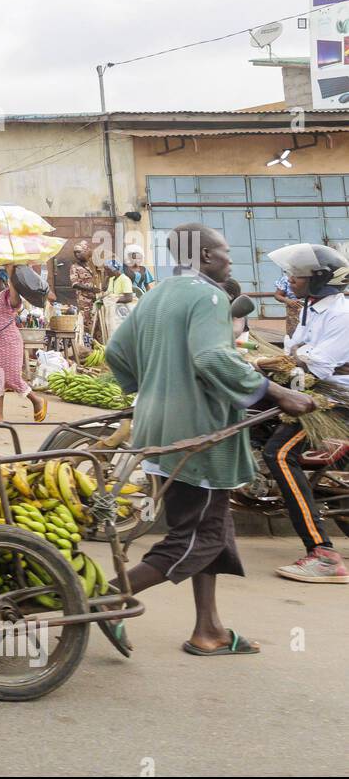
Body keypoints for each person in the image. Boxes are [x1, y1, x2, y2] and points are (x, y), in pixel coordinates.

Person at [101, 223, 317, 656]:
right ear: (202, 257)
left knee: (213, 528)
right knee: (195, 537)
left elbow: (115, 353)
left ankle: (209, 629)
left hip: (158, 429)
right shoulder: (209, 296)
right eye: (224, 252)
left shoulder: (158, 292)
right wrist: (278, 393)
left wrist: (159, 387)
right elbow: (212, 356)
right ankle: (106, 596)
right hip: (198, 436)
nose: (230, 260)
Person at [258, 243, 349, 583]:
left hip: (334, 401)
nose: (290, 279)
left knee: (278, 453)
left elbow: (318, 364)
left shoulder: (341, 315)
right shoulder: (311, 307)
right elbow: (295, 349)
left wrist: (261, 362)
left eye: (298, 275)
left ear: (321, 280)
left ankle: (323, 555)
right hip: (307, 388)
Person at [0, 268, 47, 423]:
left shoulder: (7, 294)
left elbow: (15, 303)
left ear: (1, 278)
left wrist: (11, 276)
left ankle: (37, 400)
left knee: (12, 377)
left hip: (8, 340)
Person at [68, 240, 104, 341]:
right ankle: (87, 344)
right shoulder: (74, 267)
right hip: (84, 300)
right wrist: (91, 289)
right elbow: (75, 284)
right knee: (86, 322)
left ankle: (97, 343)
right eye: (75, 253)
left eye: (79, 252)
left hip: (95, 298)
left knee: (98, 321)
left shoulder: (91, 265)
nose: (77, 255)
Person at [273, 273, 304, 340]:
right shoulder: (285, 278)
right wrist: (288, 301)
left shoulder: (311, 277)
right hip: (293, 310)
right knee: (293, 333)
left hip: (309, 308)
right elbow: (277, 295)